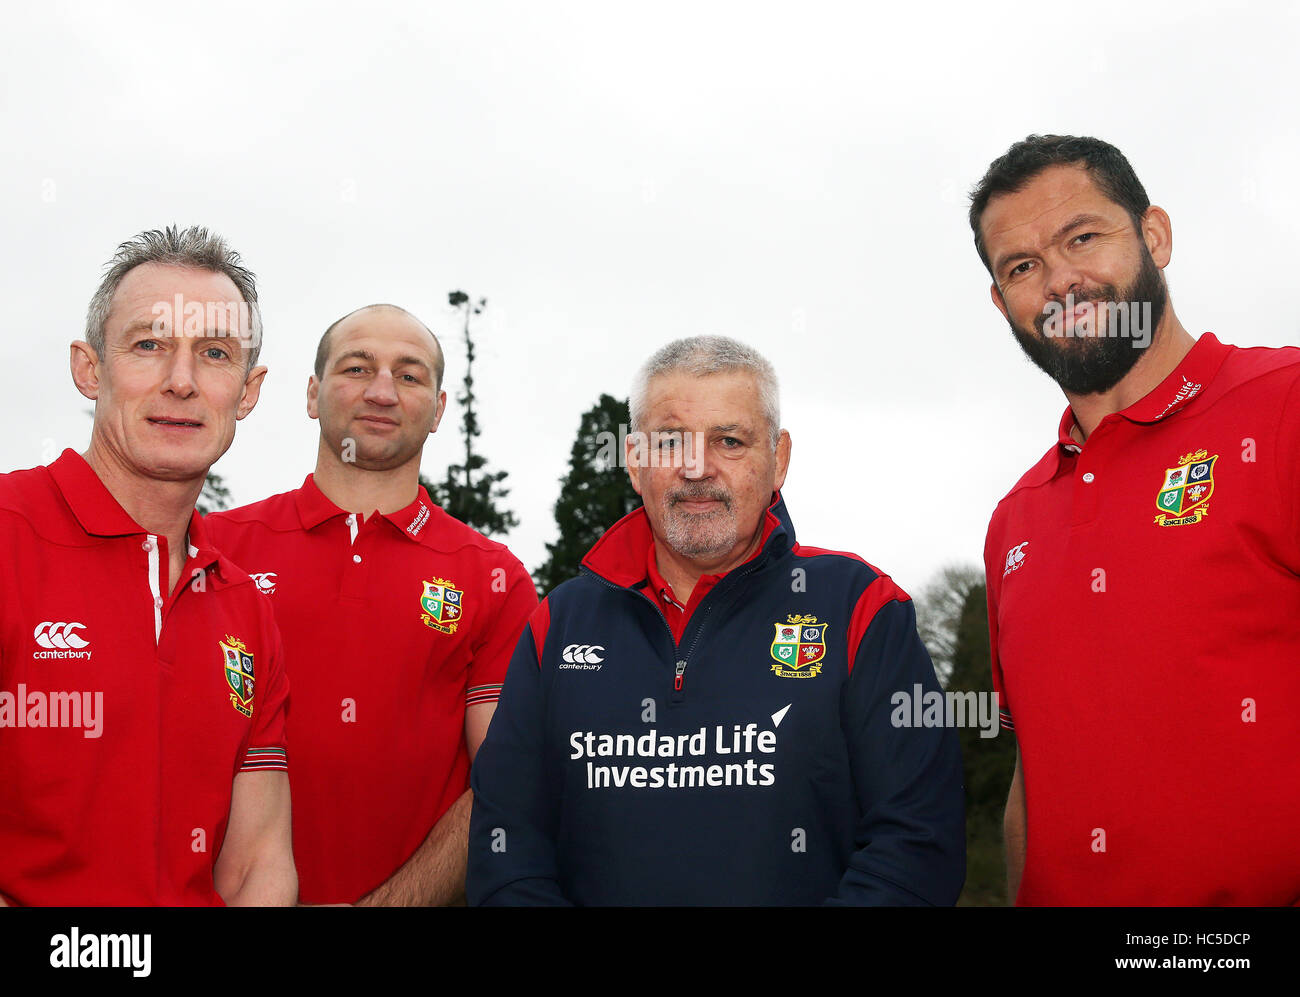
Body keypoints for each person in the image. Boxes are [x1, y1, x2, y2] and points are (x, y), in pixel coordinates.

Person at [467, 335, 965, 905]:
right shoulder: (557, 623)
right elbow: (505, 847)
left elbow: (916, 845)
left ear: (778, 460)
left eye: (729, 441)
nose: (696, 468)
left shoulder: (862, 607)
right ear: (634, 460)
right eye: (670, 441)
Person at [970, 134, 1300, 905]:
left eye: (1082, 237)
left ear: (1155, 235)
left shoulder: (1284, 403)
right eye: (1021, 267)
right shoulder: (1012, 521)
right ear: (1000, 301)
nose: (1061, 283)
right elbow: (1031, 778)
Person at [0, 225, 295, 906]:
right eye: (150, 345)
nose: (181, 382)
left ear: (247, 392)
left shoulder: (247, 609)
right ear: (89, 367)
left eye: (214, 353)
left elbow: (258, 863)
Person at [206, 303, 537, 905]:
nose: (382, 391)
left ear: (438, 411)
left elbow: (507, 781)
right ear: (312, 395)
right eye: (357, 368)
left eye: (409, 375)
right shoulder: (213, 549)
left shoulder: (493, 577)